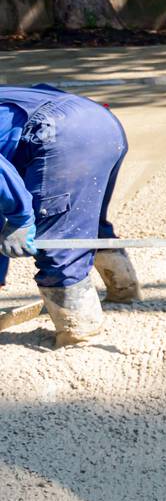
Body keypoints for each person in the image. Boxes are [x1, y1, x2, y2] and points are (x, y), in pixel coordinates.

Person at [0, 84, 140, 348]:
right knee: (84, 220)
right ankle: (124, 289)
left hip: (58, 133)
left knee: (59, 241)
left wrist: (20, 218)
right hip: (99, 121)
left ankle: (79, 336)